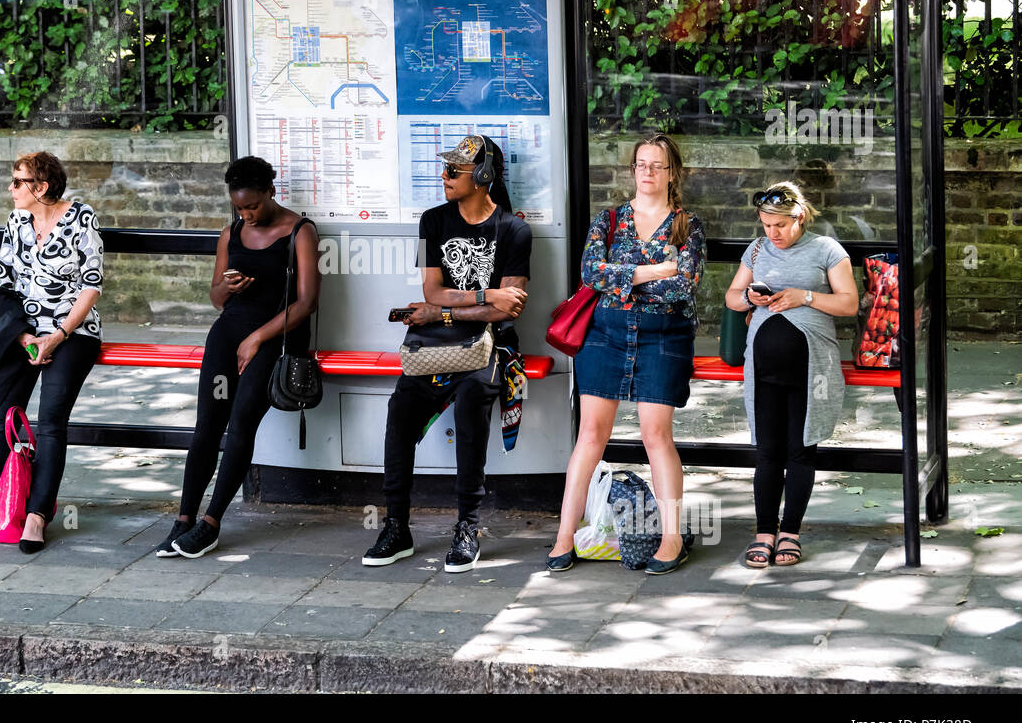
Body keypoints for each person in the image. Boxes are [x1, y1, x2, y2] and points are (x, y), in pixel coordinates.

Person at [362, 135, 531, 573]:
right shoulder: (430, 221)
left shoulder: (516, 230)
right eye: (445, 169)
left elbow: (507, 306)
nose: (444, 177)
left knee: (473, 403)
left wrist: (446, 310)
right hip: (436, 347)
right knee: (400, 409)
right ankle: (396, 526)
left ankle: (468, 527)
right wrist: (483, 294)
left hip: (487, 346)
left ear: (483, 176)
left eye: (454, 171)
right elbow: (430, 290)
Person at [547, 133, 706, 575]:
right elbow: (589, 273)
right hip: (605, 334)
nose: (648, 172)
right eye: (641, 164)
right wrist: (652, 270)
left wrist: (622, 279)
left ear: (673, 172)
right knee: (591, 436)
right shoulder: (609, 219)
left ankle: (671, 538)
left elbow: (683, 285)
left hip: (665, 335)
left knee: (656, 436)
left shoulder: (687, 224)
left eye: (658, 165)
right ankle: (564, 535)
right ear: (632, 169)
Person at [155, 156, 319, 558]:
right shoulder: (231, 233)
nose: (247, 214)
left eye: (253, 206)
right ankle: (184, 520)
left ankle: (211, 523)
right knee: (207, 426)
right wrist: (230, 288)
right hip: (228, 335)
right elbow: (214, 297)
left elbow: (307, 302)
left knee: (242, 421)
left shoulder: (300, 231)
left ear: (270, 192)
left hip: (274, 338)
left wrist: (257, 339)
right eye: (240, 208)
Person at [0, 151, 104, 554]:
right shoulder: (17, 221)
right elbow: (3, 284)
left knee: (50, 422)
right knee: (1, 418)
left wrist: (57, 335)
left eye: (18, 181)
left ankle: (36, 516)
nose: (11, 189)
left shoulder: (82, 217)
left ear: (41, 186)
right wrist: (20, 337)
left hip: (73, 331)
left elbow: (91, 286)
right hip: (19, 332)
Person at [724, 182, 857, 568]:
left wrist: (806, 296)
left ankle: (790, 533)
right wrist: (751, 297)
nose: (773, 233)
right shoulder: (757, 249)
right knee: (766, 452)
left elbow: (848, 303)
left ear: (799, 217)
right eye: (766, 225)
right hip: (763, 368)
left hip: (811, 367)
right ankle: (764, 531)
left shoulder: (826, 250)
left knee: (800, 451)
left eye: (780, 225)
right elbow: (732, 296)